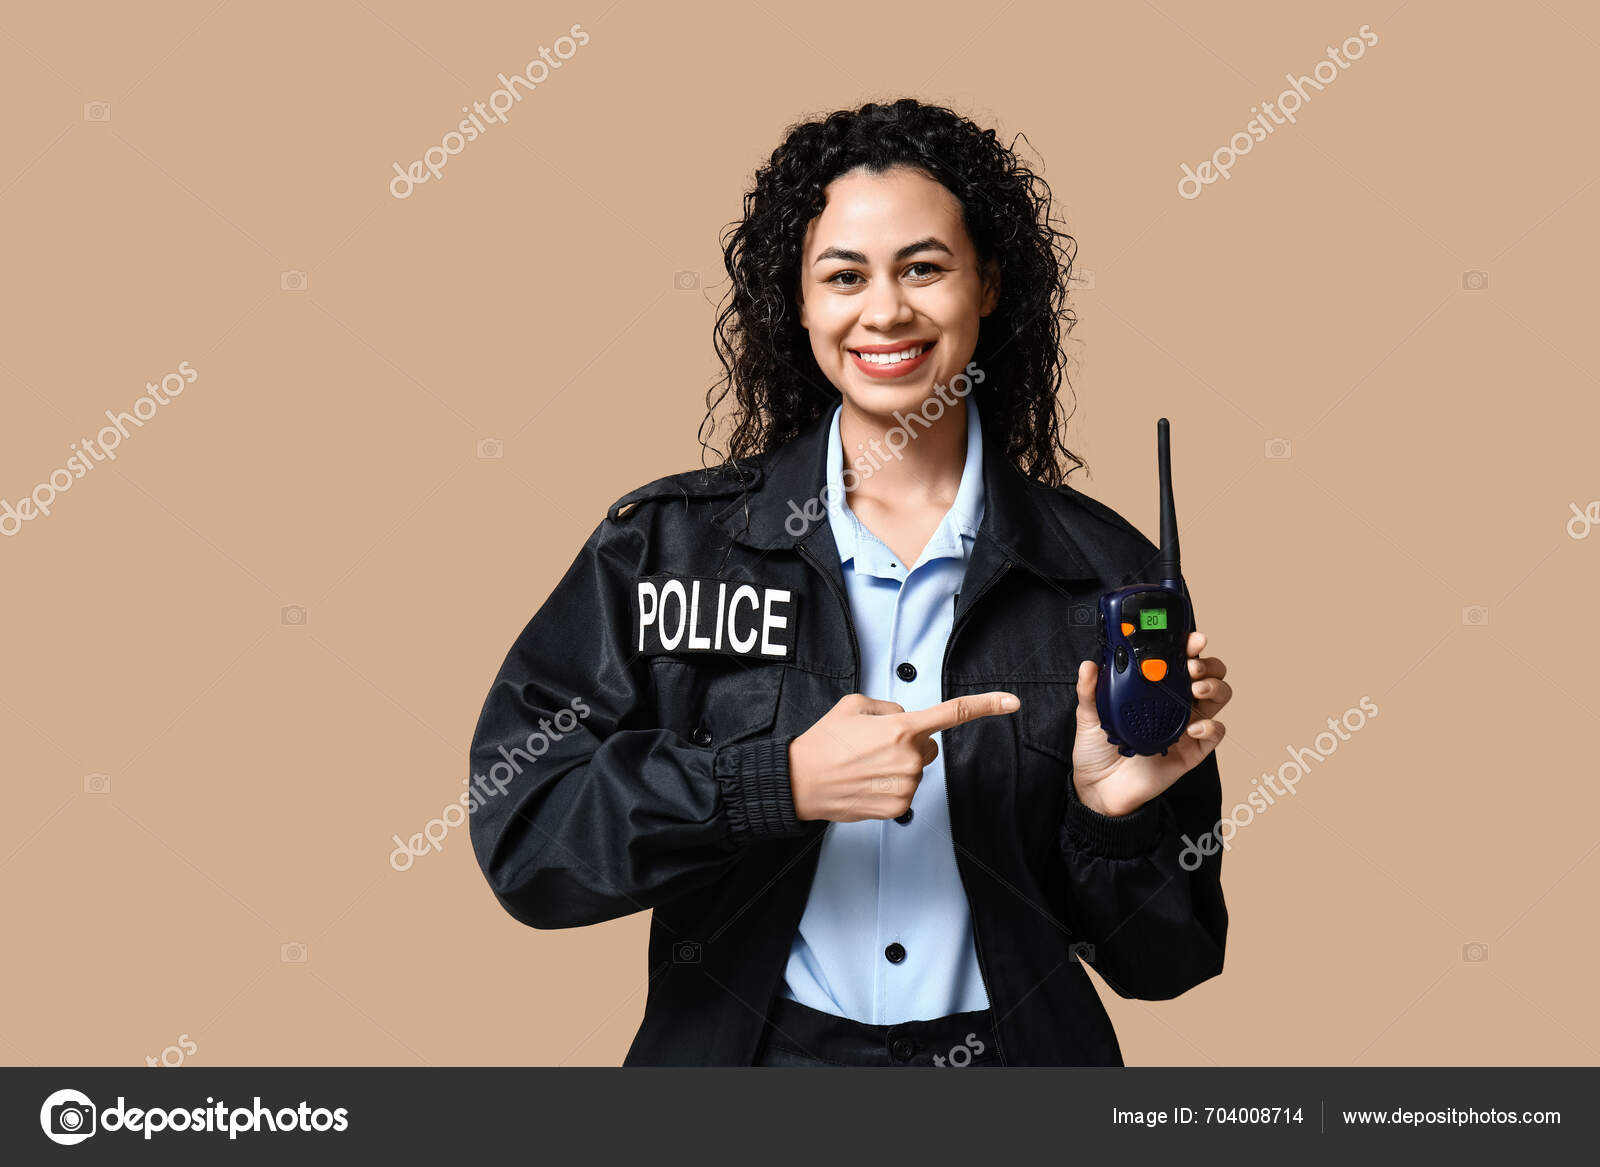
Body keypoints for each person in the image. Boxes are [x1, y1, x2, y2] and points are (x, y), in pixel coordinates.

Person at [468, 98, 1231, 1067]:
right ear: (797, 300)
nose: (885, 311)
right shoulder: (669, 549)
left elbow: (1167, 962)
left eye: (924, 267)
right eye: (843, 275)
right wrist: (770, 784)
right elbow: (528, 840)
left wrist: (1112, 822)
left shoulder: (1109, 578)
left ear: (987, 284)